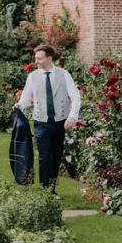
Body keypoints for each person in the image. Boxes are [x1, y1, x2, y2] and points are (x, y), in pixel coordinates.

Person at [13, 44, 81, 192]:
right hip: (41, 122)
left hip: (60, 122)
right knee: (44, 156)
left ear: (49, 58)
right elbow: (26, 97)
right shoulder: (33, 76)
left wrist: (72, 117)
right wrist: (19, 105)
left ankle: (51, 186)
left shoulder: (64, 75)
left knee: (56, 156)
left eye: (39, 58)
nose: (36, 61)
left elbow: (75, 96)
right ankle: (46, 189)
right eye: (36, 58)